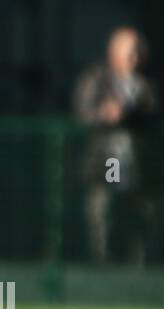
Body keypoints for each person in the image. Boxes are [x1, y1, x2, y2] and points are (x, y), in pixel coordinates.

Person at [72, 27, 158, 264]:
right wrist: (104, 114)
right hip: (105, 160)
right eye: (130, 52)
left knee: (141, 215)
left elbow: (152, 112)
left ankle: (138, 267)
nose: (135, 58)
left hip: (137, 163)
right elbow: (83, 112)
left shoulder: (147, 84)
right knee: (103, 211)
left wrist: (132, 113)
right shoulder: (96, 78)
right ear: (114, 52)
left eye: (138, 52)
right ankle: (101, 265)